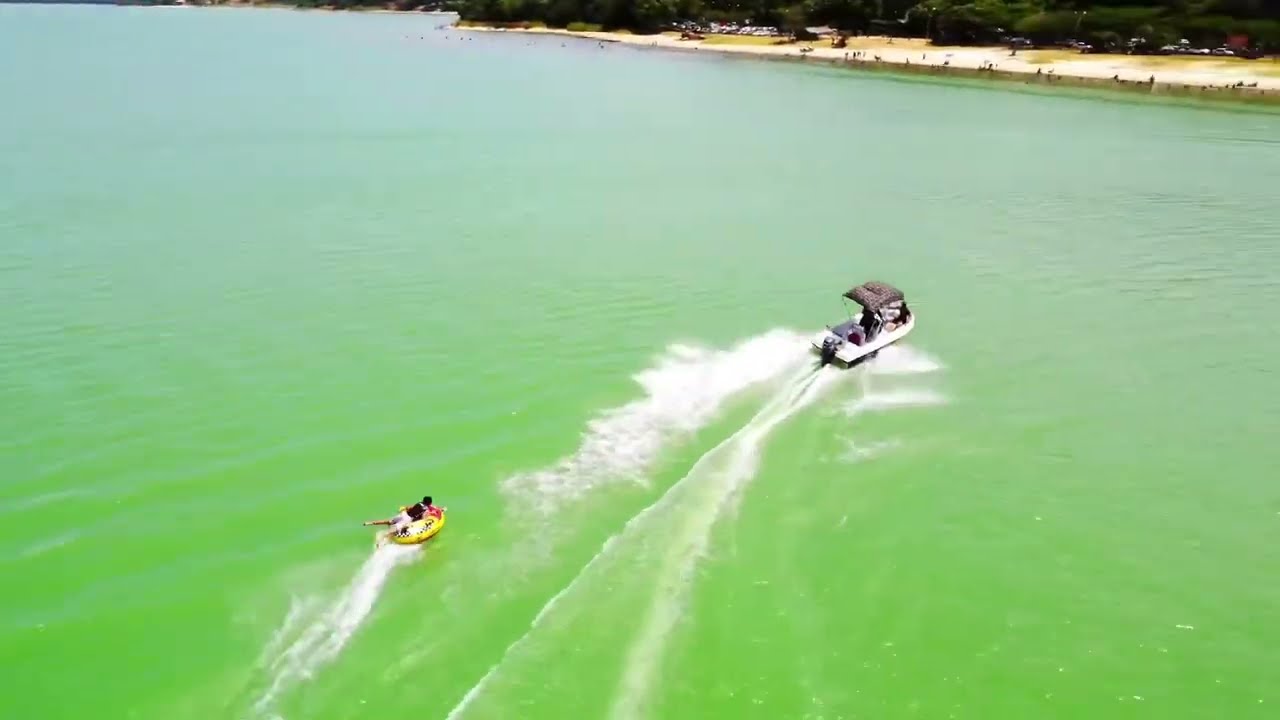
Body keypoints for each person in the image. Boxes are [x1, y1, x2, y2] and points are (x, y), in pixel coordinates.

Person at [364, 496, 445, 532]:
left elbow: (409, 507)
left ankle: (370, 523)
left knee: (389, 521)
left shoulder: (419, 503)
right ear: (430, 503)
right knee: (394, 530)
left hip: (404, 514)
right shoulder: (426, 509)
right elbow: (424, 518)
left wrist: (403, 508)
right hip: (407, 519)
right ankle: (384, 537)